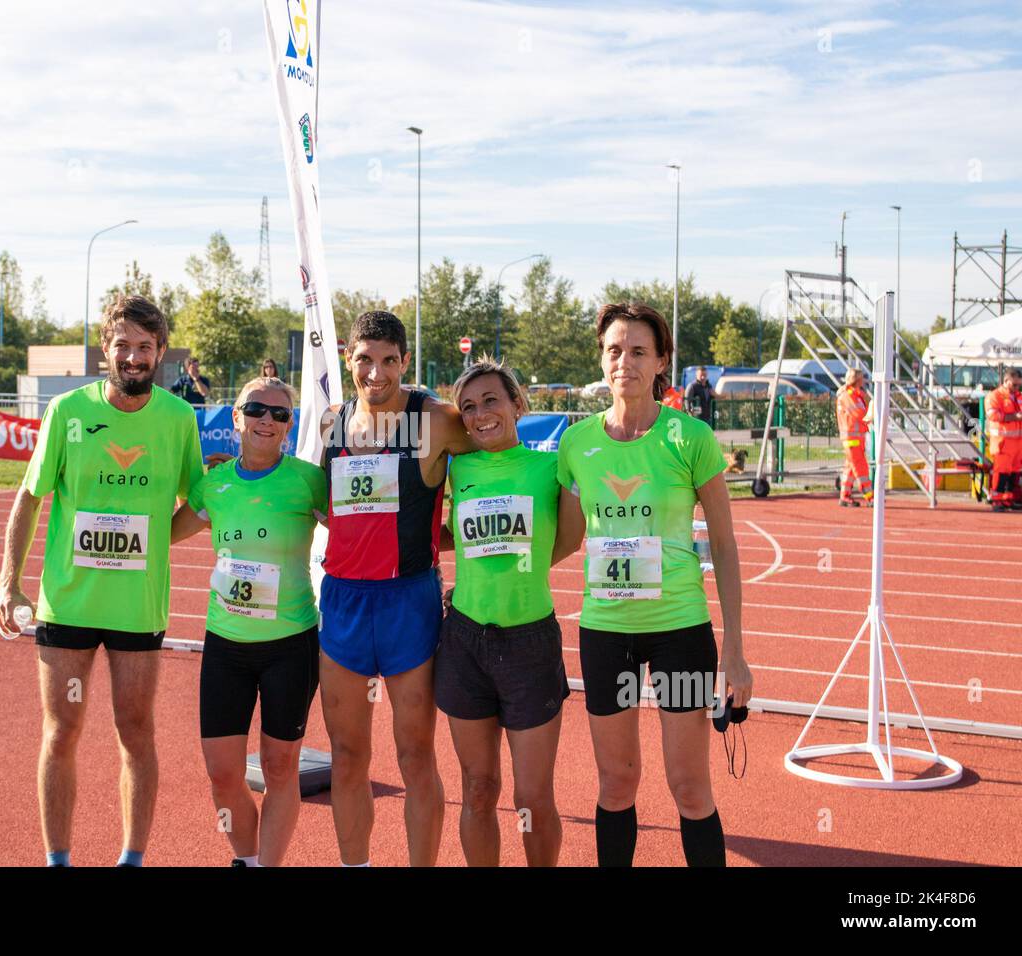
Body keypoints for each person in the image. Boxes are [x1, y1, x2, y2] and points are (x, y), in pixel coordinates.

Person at [0, 294, 204, 868]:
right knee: (62, 731)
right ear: (104, 350)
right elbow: (30, 497)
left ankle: (132, 859)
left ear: (159, 351)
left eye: (144, 347)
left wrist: (150, 539)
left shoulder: (178, 418)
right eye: (122, 345)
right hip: (67, 605)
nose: (133, 357)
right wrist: (8, 583)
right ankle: (58, 859)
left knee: (135, 731)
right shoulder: (66, 412)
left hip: (138, 608)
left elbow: (200, 503)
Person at [556, 301, 752, 868]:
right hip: (605, 635)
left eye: (639, 351)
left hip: (678, 634)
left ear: (661, 360)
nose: (626, 363)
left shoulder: (690, 437)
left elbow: (726, 546)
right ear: (601, 358)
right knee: (617, 784)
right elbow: (564, 541)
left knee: (689, 787)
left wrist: (734, 651)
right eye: (615, 350)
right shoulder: (576, 444)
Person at [318, 310, 473, 867]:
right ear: (348, 360)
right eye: (364, 359)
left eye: (388, 360)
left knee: (414, 755)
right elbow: (328, 507)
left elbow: (492, 475)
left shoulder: (434, 420)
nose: (375, 372)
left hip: (409, 601)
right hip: (342, 602)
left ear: (405, 361)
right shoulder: (333, 423)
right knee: (347, 754)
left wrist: (458, 543)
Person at [171, 376, 326, 866]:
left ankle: (264, 865)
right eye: (256, 409)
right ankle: (247, 855)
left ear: (290, 426)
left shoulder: (307, 479)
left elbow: (357, 532)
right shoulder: (212, 484)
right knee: (222, 773)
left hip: (291, 644)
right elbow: (162, 534)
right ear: (235, 417)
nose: (267, 420)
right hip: (226, 645)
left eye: (280, 414)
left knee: (281, 767)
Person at [436, 358, 581, 866]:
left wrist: (521, 570)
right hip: (464, 642)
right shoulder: (458, 466)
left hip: (530, 645)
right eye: (469, 407)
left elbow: (567, 538)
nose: (479, 415)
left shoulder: (551, 467)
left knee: (532, 799)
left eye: (491, 400)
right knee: (477, 789)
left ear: (517, 404)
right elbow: (442, 534)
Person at [985, 368, 1022, 512]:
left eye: (1019, 385)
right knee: (1001, 471)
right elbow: (993, 415)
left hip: (1019, 444)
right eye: (1014, 384)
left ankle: (1010, 499)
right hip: (1003, 442)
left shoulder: (1021, 398)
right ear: (1006, 381)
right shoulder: (994, 396)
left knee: (1015, 473)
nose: (1017, 388)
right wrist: (1015, 417)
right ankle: (997, 500)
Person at [836, 368, 873, 507]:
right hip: (852, 438)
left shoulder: (856, 395)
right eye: (861, 378)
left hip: (856, 437)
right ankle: (870, 496)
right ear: (856, 380)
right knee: (861, 467)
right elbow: (859, 413)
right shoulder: (848, 396)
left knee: (850, 468)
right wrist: (872, 416)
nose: (863, 381)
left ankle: (844, 496)